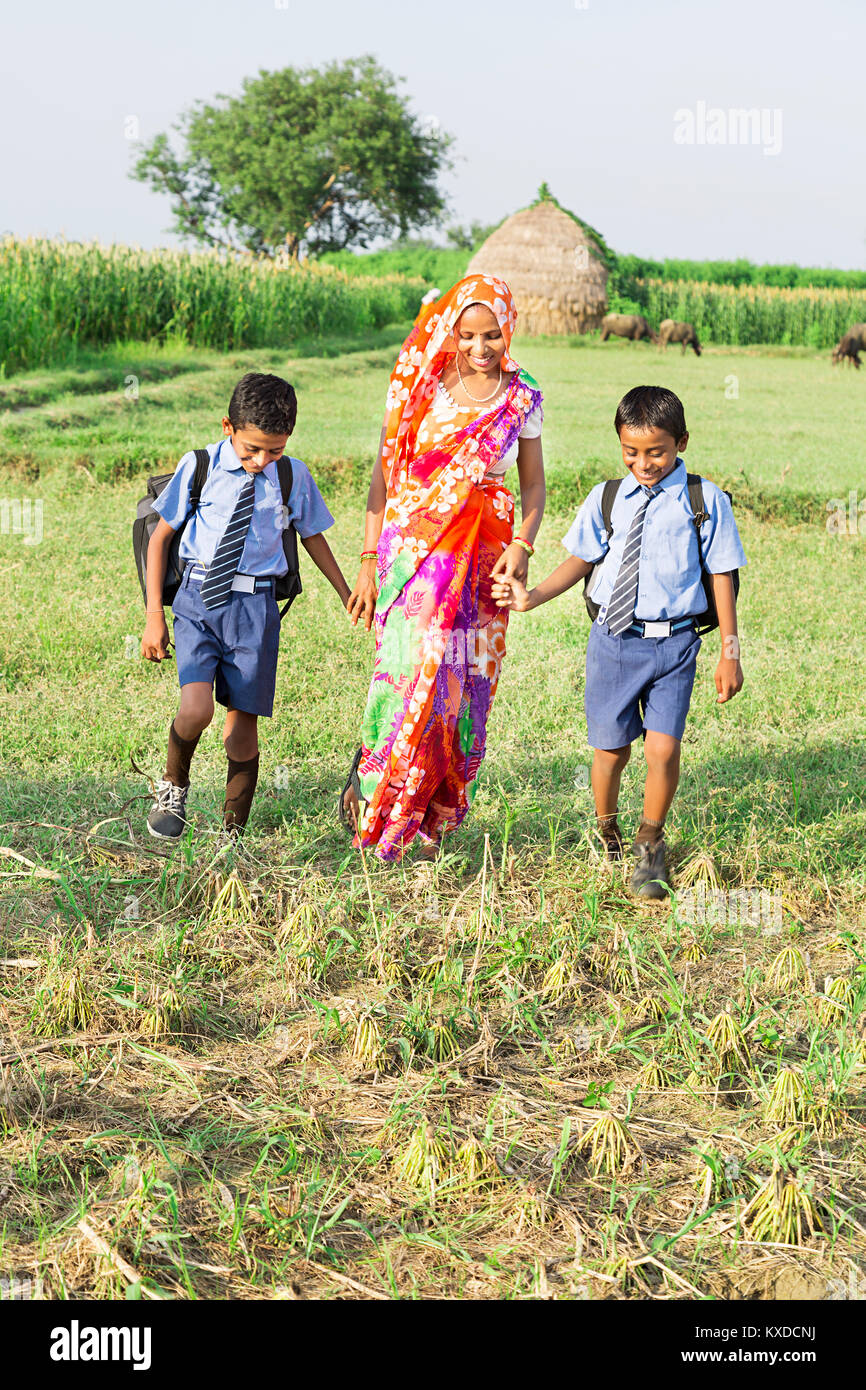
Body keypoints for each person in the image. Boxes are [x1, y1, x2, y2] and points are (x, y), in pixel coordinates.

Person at [492, 385, 746, 898]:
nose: (644, 463)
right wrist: (532, 597)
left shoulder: (704, 500)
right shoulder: (608, 497)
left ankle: (650, 846)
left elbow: (722, 574)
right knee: (610, 752)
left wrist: (730, 653)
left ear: (682, 443)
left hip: (675, 645)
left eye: (657, 451)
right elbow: (581, 560)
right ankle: (607, 827)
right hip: (612, 641)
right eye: (632, 452)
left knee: (663, 748)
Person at [341, 275, 546, 862]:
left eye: (493, 336)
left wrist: (523, 547)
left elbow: (532, 486)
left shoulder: (523, 395)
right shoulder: (423, 384)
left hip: (485, 557)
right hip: (414, 552)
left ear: (509, 330)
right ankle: (378, 800)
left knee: (458, 686)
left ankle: (429, 817)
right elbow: (385, 476)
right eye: (469, 335)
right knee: (407, 675)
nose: (481, 348)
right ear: (452, 329)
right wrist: (365, 557)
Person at [141, 372, 351, 842]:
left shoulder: (292, 475)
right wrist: (155, 614)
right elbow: (160, 538)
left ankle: (231, 836)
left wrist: (344, 591)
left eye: (273, 450)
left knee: (242, 730)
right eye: (251, 449)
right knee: (196, 709)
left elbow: (312, 535)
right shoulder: (199, 466)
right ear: (227, 427)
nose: (261, 461)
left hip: (256, 609)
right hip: (198, 601)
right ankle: (174, 784)